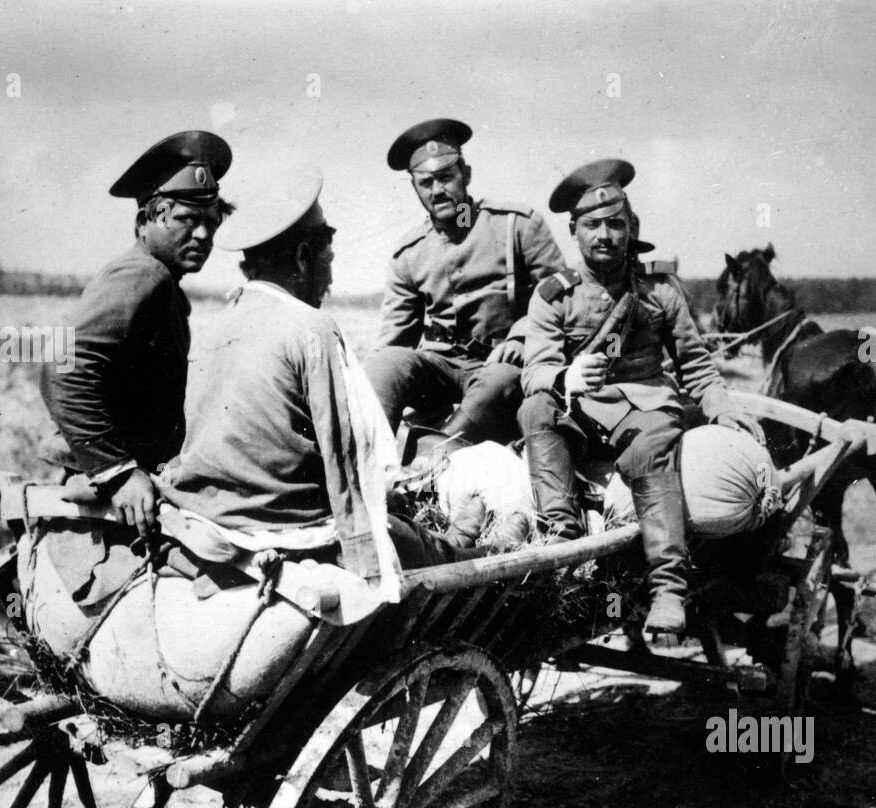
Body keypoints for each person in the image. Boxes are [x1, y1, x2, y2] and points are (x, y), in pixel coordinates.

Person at [157, 166, 484, 591]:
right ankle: (467, 549)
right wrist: (371, 560)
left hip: (211, 521)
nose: (329, 279)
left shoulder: (214, 327)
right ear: (302, 258)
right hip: (285, 529)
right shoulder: (312, 327)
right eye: (327, 260)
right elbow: (351, 457)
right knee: (411, 539)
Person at [519, 159, 763, 640]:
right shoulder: (553, 295)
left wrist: (722, 406)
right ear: (574, 231)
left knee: (653, 448)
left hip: (647, 409)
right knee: (534, 410)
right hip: (582, 411)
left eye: (616, 224)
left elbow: (695, 364)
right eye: (593, 225)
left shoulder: (659, 291)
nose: (605, 235)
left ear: (631, 228)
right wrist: (566, 375)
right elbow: (535, 371)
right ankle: (562, 544)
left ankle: (668, 588)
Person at [39, 130, 232, 538]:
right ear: (147, 220)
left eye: (211, 223)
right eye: (188, 220)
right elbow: (63, 365)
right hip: (118, 500)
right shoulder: (142, 276)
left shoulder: (160, 280)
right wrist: (118, 473)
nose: (203, 235)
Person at [364, 118, 565, 458]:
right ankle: (368, 466)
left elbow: (562, 299)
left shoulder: (517, 225)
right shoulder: (409, 254)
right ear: (415, 188)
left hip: (501, 364)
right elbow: (394, 340)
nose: (437, 190)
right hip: (441, 370)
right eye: (425, 183)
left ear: (466, 174)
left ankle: (428, 459)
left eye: (445, 177)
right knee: (384, 365)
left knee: (498, 382)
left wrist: (523, 333)